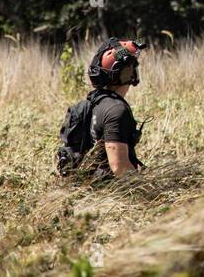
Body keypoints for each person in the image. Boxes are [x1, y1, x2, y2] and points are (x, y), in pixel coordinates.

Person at [55, 38, 147, 179]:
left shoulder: (94, 101)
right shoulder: (116, 110)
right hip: (109, 194)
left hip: (87, 190)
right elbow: (119, 168)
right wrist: (149, 190)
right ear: (126, 73)